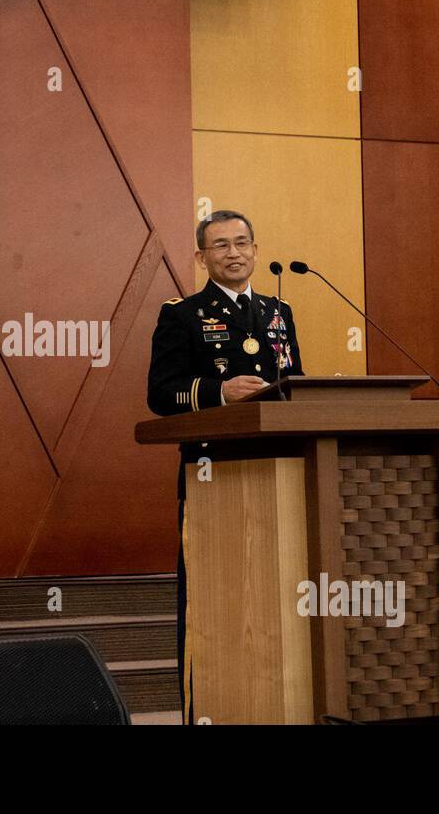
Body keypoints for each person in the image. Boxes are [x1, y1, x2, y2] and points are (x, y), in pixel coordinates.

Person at [146, 209, 303, 723]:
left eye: (242, 243)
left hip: (279, 472)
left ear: (256, 250)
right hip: (213, 472)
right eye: (221, 245)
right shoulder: (183, 314)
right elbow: (160, 394)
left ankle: (279, 704)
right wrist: (219, 392)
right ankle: (207, 707)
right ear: (202, 257)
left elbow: (295, 386)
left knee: (278, 595)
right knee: (213, 600)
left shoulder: (279, 311)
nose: (234, 253)